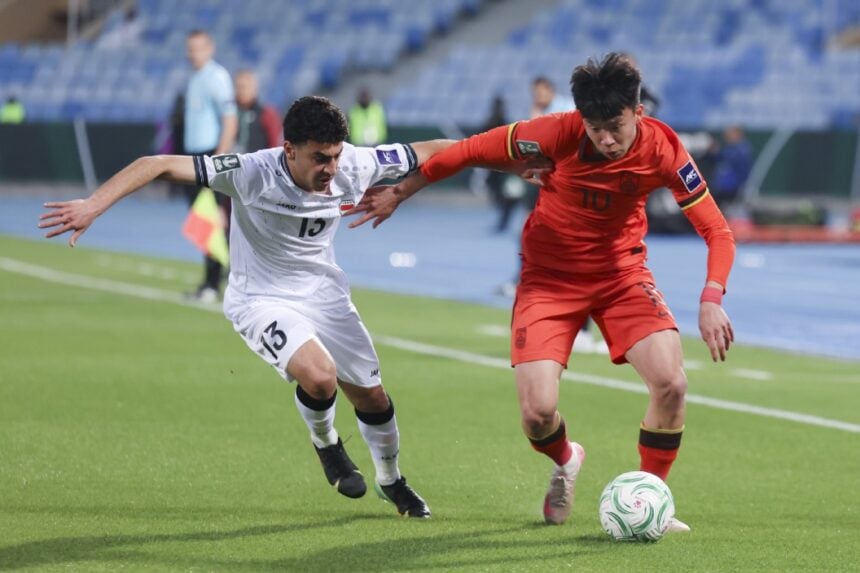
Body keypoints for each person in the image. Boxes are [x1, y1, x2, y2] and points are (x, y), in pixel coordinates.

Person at [349, 53, 736, 532]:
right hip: (549, 281)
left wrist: (711, 298)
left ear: (638, 112)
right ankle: (567, 458)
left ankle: (649, 498)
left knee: (672, 383)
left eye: (615, 127)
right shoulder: (554, 133)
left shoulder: (664, 149)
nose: (605, 139)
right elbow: (468, 151)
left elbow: (718, 231)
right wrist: (402, 191)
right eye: (595, 128)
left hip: (622, 277)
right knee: (537, 415)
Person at [39, 96, 452, 518]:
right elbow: (156, 163)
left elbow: (441, 150)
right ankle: (327, 444)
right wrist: (92, 205)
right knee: (319, 376)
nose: (331, 168)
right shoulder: (250, 171)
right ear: (289, 150)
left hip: (324, 294)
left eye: (335, 156)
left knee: (373, 397)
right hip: (261, 298)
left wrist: (408, 188)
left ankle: (390, 480)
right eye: (319, 158)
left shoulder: (355, 163)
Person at [183, 29, 238, 303]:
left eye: (199, 48)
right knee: (205, 221)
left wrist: (217, 160)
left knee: (216, 221)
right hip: (195, 156)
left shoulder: (216, 77)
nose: (194, 54)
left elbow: (230, 119)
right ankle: (212, 281)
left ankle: (220, 281)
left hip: (208, 157)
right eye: (190, 48)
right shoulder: (196, 78)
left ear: (210, 48)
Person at [234, 70, 282, 152]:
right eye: (238, 87)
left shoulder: (267, 114)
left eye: (245, 87)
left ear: (254, 88)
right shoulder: (229, 114)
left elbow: (275, 145)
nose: (241, 91)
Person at [710, 126, 753, 211]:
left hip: (732, 189)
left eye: (730, 134)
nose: (726, 137)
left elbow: (743, 172)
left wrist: (741, 188)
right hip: (722, 188)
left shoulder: (741, 150)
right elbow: (720, 157)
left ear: (738, 135)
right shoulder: (730, 148)